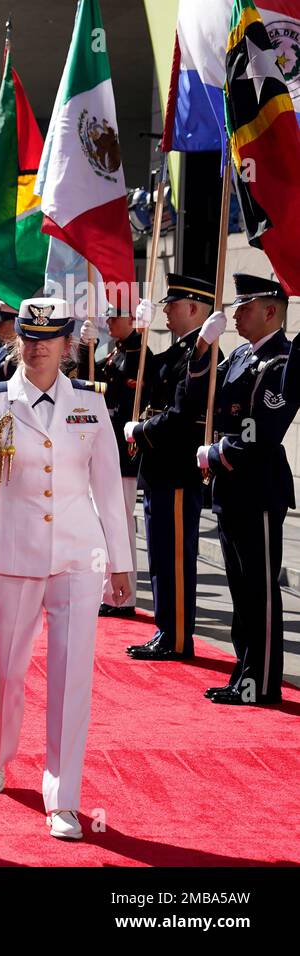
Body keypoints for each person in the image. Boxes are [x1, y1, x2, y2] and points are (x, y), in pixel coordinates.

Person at [0, 296, 133, 841]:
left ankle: (64, 798)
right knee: (4, 669)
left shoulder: (91, 404)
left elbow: (107, 491)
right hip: (11, 557)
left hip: (78, 556)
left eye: (49, 337)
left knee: (73, 679)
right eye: (28, 336)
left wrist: (120, 563)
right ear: (17, 340)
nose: (37, 346)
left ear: (68, 343)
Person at [182, 274, 299, 706]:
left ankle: (262, 682)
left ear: (270, 311)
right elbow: (196, 397)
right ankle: (243, 675)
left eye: (244, 306)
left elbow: (262, 432)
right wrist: (200, 348)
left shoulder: (281, 363)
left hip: (258, 487)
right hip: (231, 489)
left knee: (260, 589)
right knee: (240, 589)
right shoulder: (238, 357)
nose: (235, 314)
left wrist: (215, 452)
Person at [123, 274, 212, 661]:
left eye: (172, 306)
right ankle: (166, 630)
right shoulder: (180, 351)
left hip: (176, 469)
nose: (166, 313)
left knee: (175, 557)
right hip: (160, 468)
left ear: (193, 308)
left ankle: (176, 638)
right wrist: (137, 337)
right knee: (160, 556)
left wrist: (141, 429)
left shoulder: (203, 354)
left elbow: (181, 414)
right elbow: (146, 373)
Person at [94, 304, 152, 617]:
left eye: (114, 317)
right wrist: (85, 352)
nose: (107, 321)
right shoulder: (115, 353)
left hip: (124, 452)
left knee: (120, 523)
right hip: (105, 448)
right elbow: (91, 380)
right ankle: (108, 590)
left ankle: (123, 596)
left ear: (131, 320)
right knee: (105, 523)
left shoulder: (141, 355)